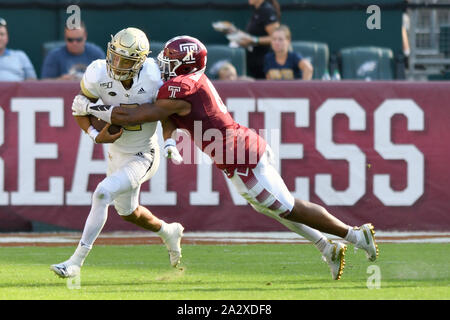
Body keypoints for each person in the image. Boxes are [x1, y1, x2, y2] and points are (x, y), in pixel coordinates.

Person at [78, 36, 379, 280]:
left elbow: (139, 114)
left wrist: (90, 108)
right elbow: (161, 114)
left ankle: (353, 235)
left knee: (286, 207)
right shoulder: (187, 83)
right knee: (273, 208)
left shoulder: (181, 87)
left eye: (169, 61)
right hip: (236, 151)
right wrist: (169, 141)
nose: (162, 65)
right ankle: (326, 247)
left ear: (184, 65)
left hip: (239, 156)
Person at [51, 28, 184, 279]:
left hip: (144, 153)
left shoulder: (155, 77)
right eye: (115, 56)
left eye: (126, 60)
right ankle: (169, 231)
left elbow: (167, 113)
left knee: (102, 193)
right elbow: (79, 109)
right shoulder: (96, 72)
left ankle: (75, 262)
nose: (117, 64)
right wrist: (93, 134)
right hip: (116, 152)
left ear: (141, 61)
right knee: (129, 213)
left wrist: (169, 142)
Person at [243, 0, 281, 79]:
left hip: (265, 63)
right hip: (255, 62)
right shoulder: (258, 10)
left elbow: (275, 37)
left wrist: (254, 40)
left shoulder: (267, 10)